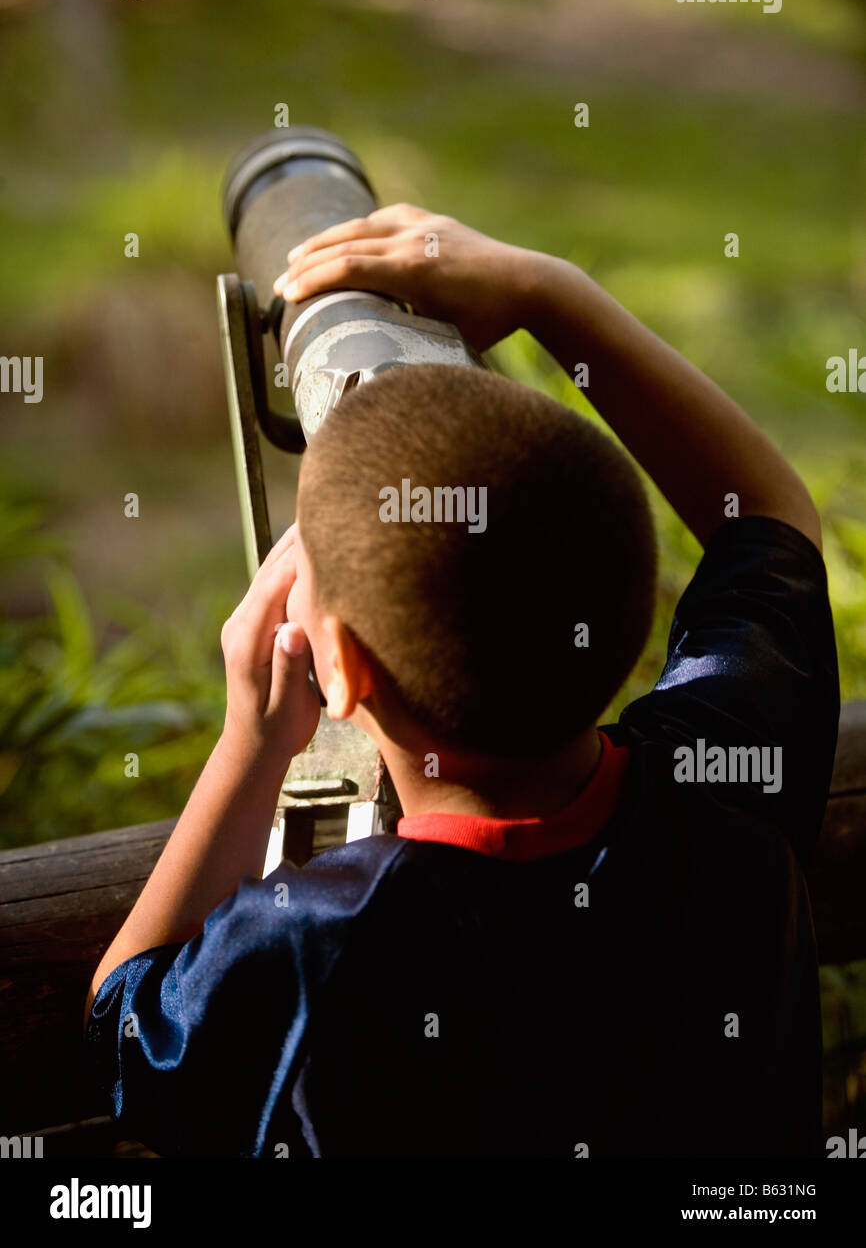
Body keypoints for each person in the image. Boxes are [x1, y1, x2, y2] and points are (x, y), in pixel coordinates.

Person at [84, 204, 839, 1158]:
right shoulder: (730, 789)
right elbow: (764, 514)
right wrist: (545, 290)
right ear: (636, 613)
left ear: (340, 668)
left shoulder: (314, 946)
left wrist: (252, 742)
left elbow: (123, 1023)